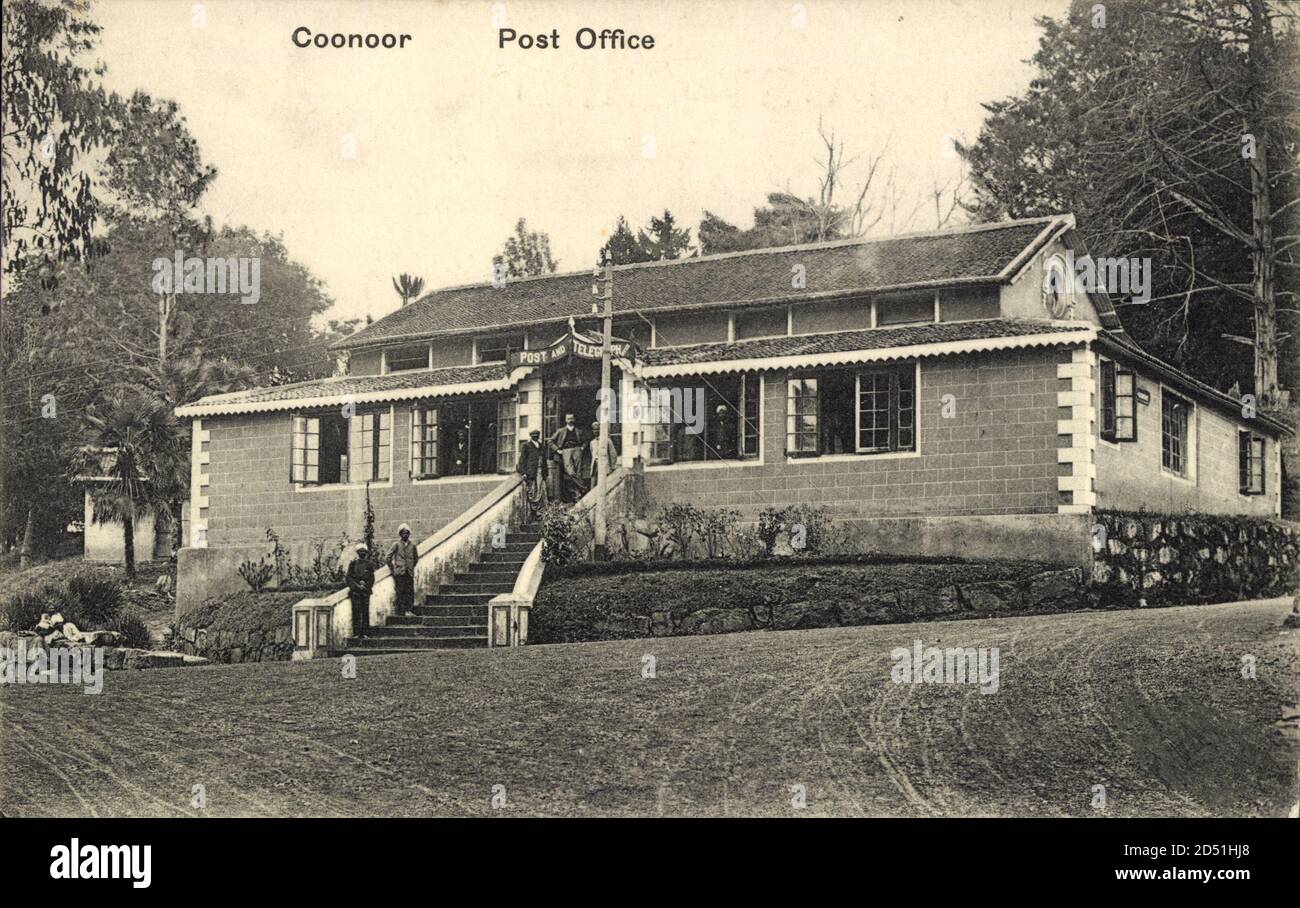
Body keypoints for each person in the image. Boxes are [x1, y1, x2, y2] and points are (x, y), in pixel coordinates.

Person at [549, 413, 584, 503]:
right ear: (565, 420)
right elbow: (550, 441)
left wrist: (582, 447)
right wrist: (557, 450)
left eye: (572, 418)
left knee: (578, 472)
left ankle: (577, 494)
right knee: (570, 472)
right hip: (566, 451)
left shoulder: (579, 431)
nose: (570, 420)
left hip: (577, 450)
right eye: (568, 419)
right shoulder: (561, 431)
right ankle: (583, 488)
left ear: (574, 419)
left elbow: (585, 441)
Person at [517, 429, 548, 520]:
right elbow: (522, 460)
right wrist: (523, 472)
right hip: (531, 472)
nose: (535, 436)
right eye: (533, 435)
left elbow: (544, 460)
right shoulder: (526, 446)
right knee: (532, 491)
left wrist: (545, 472)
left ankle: (540, 512)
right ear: (531, 436)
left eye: (537, 435)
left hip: (540, 471)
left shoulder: (541, 446)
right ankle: (534, 512)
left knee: (541, 490)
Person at [388, 523, 418, 617]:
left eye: (407, 533)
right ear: (400, 534)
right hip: (400, 573)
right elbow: (388, 557)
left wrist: (411, 566)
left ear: (409, 534)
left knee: (409, 591)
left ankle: (409, 610)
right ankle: (401, 611)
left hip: (409, 572)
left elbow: (416, 558)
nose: (405, 535)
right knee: (400, 591)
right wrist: (393, 569)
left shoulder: (412, 546)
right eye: (403, 533)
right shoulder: (396, 544)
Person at [345, 543, 375, 639]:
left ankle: (366, 633)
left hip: (365, 592)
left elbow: (372, 578)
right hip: (356, 592)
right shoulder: (353, 564)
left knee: (365, 612)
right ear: (357, 553)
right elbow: (348, 577)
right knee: (356, 612)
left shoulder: (369, 564)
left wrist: (366, 585)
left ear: (366, 553)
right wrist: (357, 586)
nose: (362, 553)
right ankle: (356, 633)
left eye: (364, 551)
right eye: (360, 551)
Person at [588, 421, 618, 487]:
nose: (596, 431)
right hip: (595, 466)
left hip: (605, 466)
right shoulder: (592, 442)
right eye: (594, 429)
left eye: (597, 429)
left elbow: (613, 454)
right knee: (593, 485)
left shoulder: (607, 440)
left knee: (605, 485)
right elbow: (592, 454)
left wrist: (612, 466)